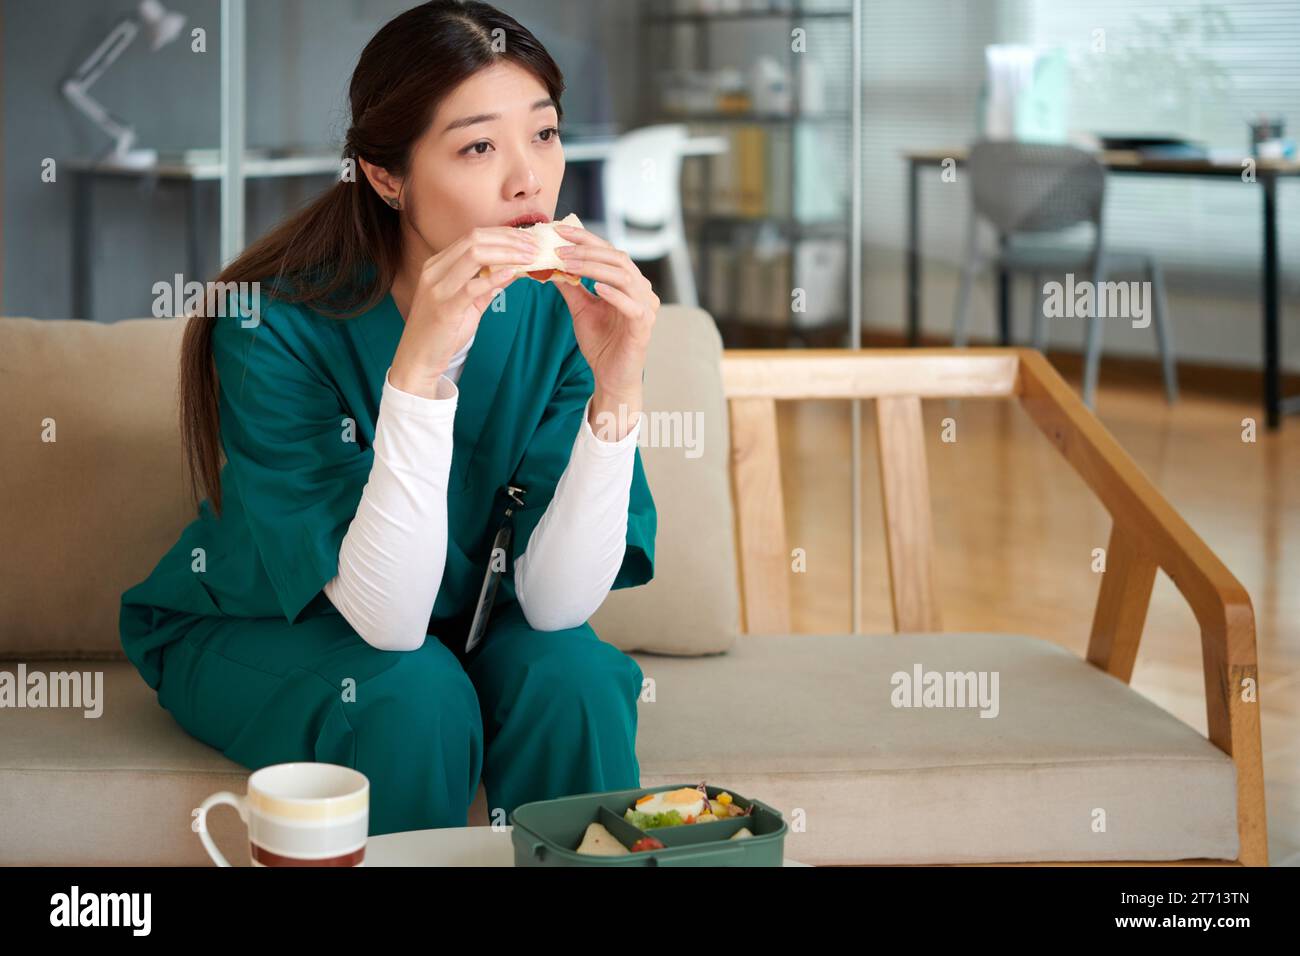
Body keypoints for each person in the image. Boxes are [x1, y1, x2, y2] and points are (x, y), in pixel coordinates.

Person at [118, 0, 659, 837]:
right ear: (385, 175)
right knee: (411, 693)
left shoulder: (558, 318)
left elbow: (552, 607)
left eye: (544, 134)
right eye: (479, 146)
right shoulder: (271, 327)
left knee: (574, 676)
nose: (528, 180)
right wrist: (419, 375)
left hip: (462, 622)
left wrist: (616, 394)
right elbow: (391, 623)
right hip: (271, 627)